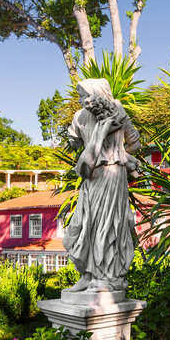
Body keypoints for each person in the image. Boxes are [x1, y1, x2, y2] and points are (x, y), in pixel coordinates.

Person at [63, 78, 142, 293]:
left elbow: (74, 142)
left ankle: (107, 278)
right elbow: (135, 142)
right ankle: (88, 276)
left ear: (97, 93)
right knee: (85, 222)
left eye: (83, 95)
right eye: (79, 95)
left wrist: (119, 155)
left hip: (111, 177)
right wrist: (122, 155)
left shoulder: (113, 107)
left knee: (108, 225)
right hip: (93, 176)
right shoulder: (82, 115)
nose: (80, 100)